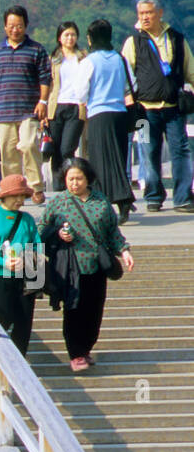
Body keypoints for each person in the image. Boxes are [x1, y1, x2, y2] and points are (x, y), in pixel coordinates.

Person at [39, 158, 135, 370]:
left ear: (88, 179)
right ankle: (76, 353)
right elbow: (41, 229)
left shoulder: (101, 201)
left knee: (94, 310)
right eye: (70, 179)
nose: (74, 183)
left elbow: (112, 231)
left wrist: (124, 250)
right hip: (70, 266)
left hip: (96, 265)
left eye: (79, 178)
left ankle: (86, 348)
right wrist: (58, 234)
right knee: (73, 309)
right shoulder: (58, 202)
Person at [120, 0, 194, 212]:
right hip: (143, 112)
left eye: (149, 13)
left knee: (180, 151)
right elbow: (124, 75)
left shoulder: (177, 39)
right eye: (141, 13)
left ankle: (183, 197)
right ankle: (153, 196)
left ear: (159, 13)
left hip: (173, 110)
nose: (145, 17)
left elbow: (190, 70)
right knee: (147, 151)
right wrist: (128, 101)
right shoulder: (133, 42)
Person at [0, 5, 53, 203]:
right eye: (11, 26)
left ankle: (35, 187)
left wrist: (43, 101)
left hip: (29, 109)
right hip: (4, 110)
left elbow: (45, 78)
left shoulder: (36, 49)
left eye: (19, 26)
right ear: (5, 27)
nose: (15, 30)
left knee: (29, 145)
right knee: (8, 153)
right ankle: (12, 189)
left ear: (26, 25)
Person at [0, 175, 43, 354]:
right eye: (15, 195)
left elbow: (38, 246)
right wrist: (4, 262)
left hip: (26, 279)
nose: (20, 200)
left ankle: (19, 360)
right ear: (4, 196)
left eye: (23, 196)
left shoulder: (27, 219)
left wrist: (26, 259)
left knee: (24, 324)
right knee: (1, 320)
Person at [81, 19, 138, 223]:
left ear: (91, 39)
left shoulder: (89, 61)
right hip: (120, 114)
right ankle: (115, 200)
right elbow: (132, 85)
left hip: (99, 115)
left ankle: (120, 199)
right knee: (118, 159)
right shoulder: (120, 59)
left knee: (99, 161)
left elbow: (81, 92)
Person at [46, 22, 88, 193]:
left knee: (67, 149)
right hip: (56, 106)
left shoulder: (83, 57)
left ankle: (70, 184)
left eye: (73, 34)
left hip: (77, 106)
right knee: (56, 150)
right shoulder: (53, 59)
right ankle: (59, 188)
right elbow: (47, 84)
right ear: (59, 38)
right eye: (66, 35)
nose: (70, 38)